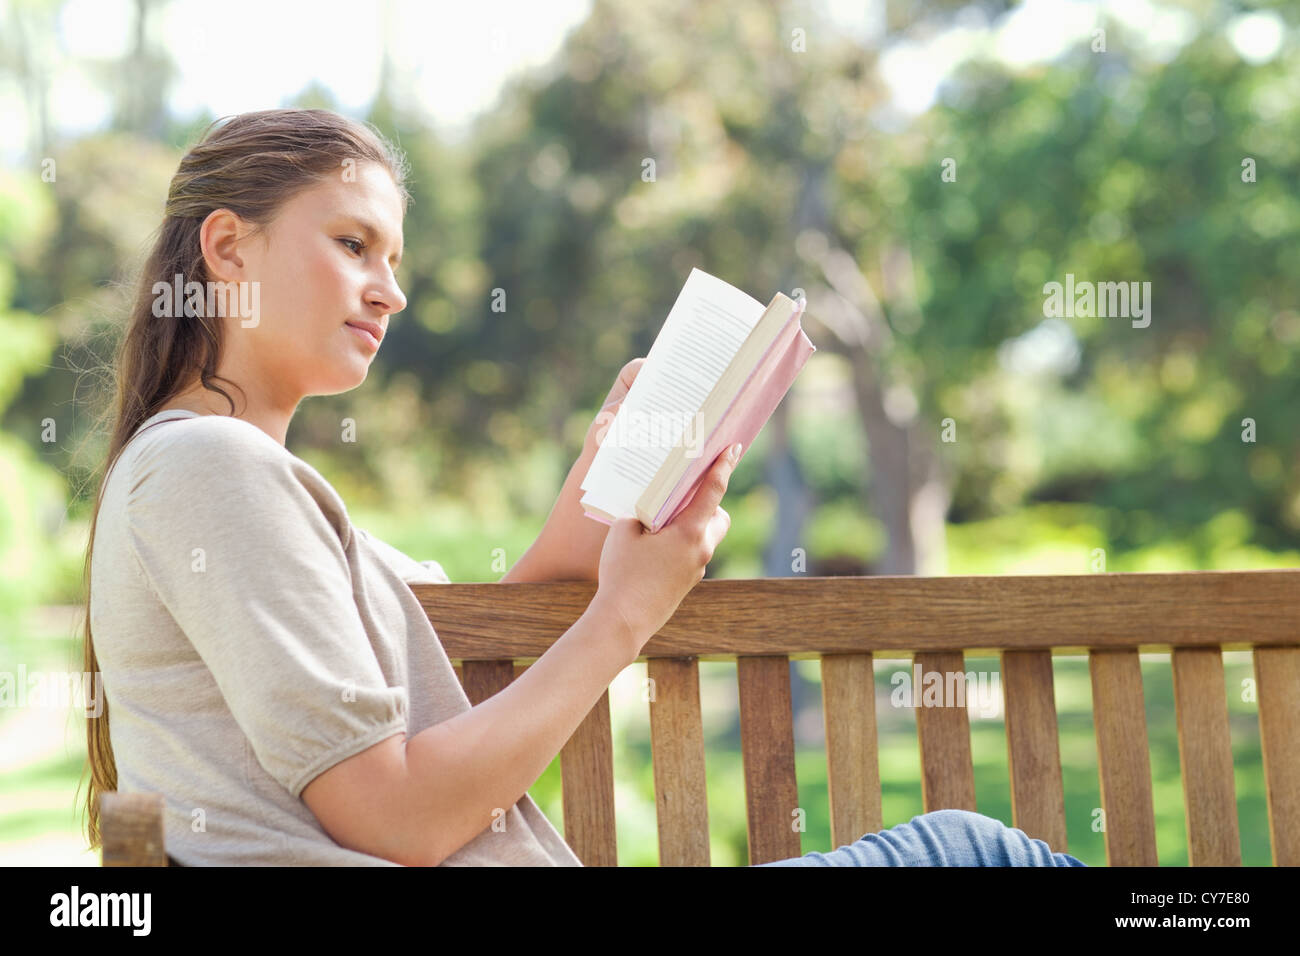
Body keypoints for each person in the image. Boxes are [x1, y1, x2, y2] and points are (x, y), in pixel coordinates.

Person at [80, 107, 1085, 867]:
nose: (391, 286)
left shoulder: (238, 475)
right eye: (352, 244)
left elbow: (473, 657)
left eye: (394, 257)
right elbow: (397, 812)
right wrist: (624, 614)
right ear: (226, 246)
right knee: (977, 850)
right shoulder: (211, 469)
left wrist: (602, 496)